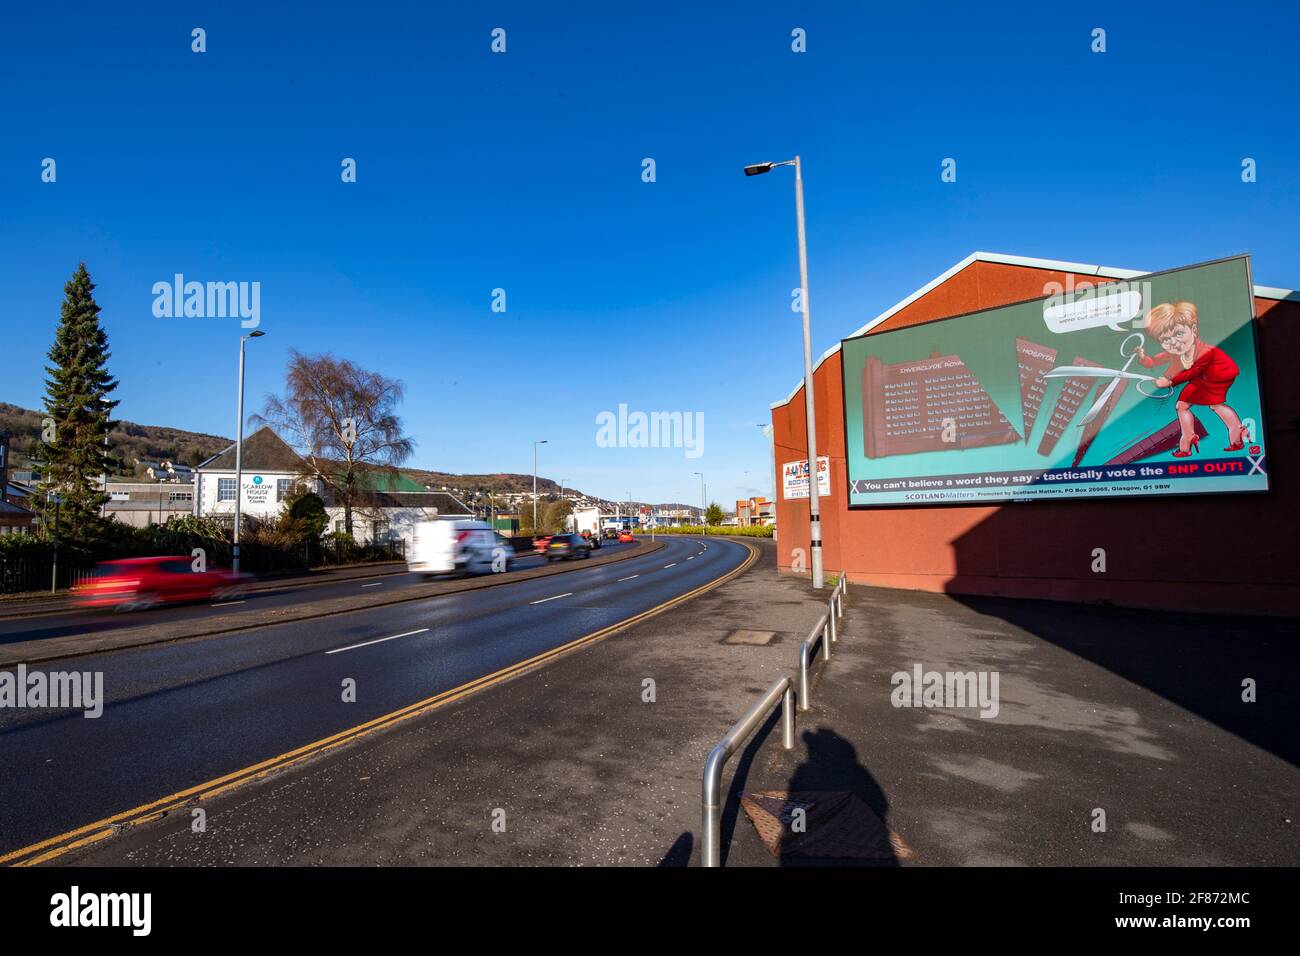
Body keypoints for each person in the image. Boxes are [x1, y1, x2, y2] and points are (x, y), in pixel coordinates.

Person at [1136, 301, 1246, 457]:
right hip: (1201, 379)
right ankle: (1188, 437)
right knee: (1181, 406)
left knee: (1216, 405)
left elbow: (1195, 371)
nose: (1173, 342)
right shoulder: (1174, 352)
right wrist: (1142, 357)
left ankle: (1237, 433)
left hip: (1217, 377)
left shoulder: (1206, 352)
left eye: (1179, 333)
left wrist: (1170, 382)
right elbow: (1153, 361)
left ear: (1194, 330)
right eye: (1165, 339)